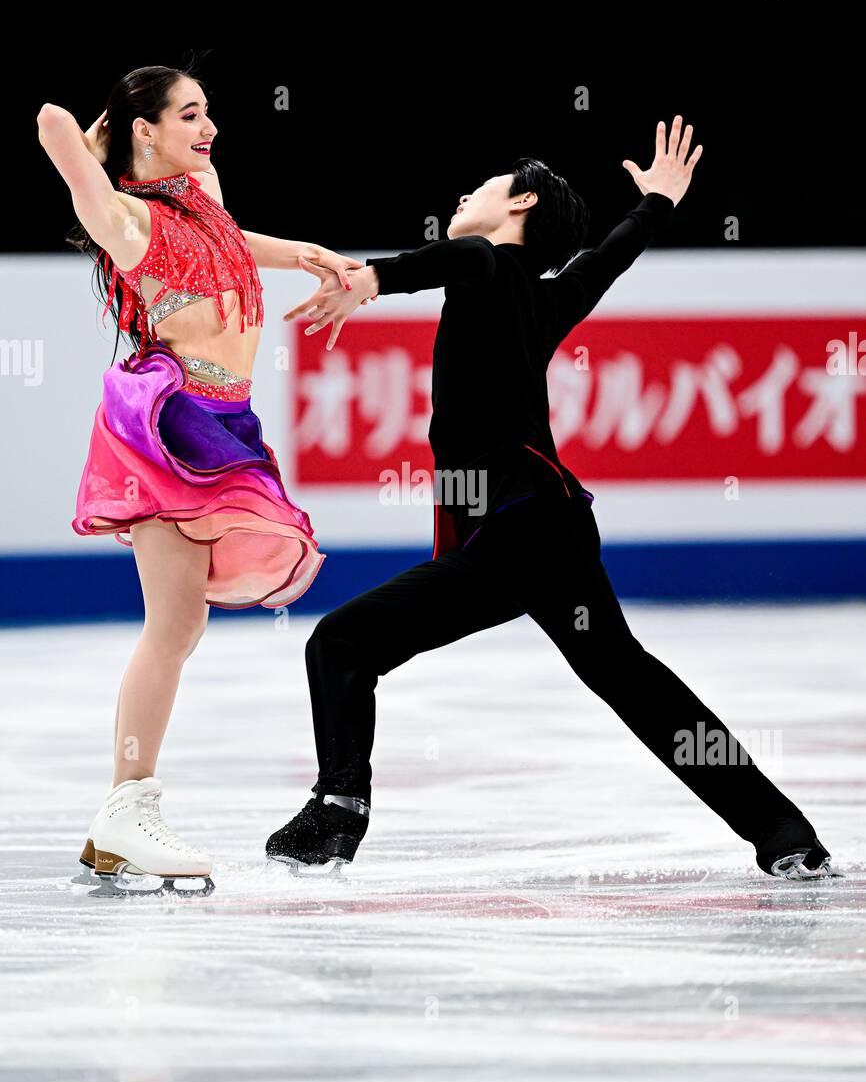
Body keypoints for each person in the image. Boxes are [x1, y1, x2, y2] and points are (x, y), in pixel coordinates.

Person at [266, 117, 839, 882]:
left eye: (488, 185)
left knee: (340, 644)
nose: (466, 193)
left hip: (520, 532)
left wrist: (371, 279)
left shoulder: (485, 264)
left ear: (522, 204)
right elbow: (605, 262)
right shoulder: (542, 300)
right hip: (549, 533)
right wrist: (657, 205)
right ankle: (783, 831)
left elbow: (459, 254)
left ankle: (340, 808)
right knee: (632, 680)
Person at [37, 63, 365, 892]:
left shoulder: (202, 188)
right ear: (145, 128)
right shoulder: (123, 219)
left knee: (181, 626)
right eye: (189, 114)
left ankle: (123, 813)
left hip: (227, 419)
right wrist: (107, 132)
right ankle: (127, 804)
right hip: (165, 420)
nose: (208, 125)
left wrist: (306, 254)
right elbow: (49, 123)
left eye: (209, 111)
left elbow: (228, 243)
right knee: (173, 626)